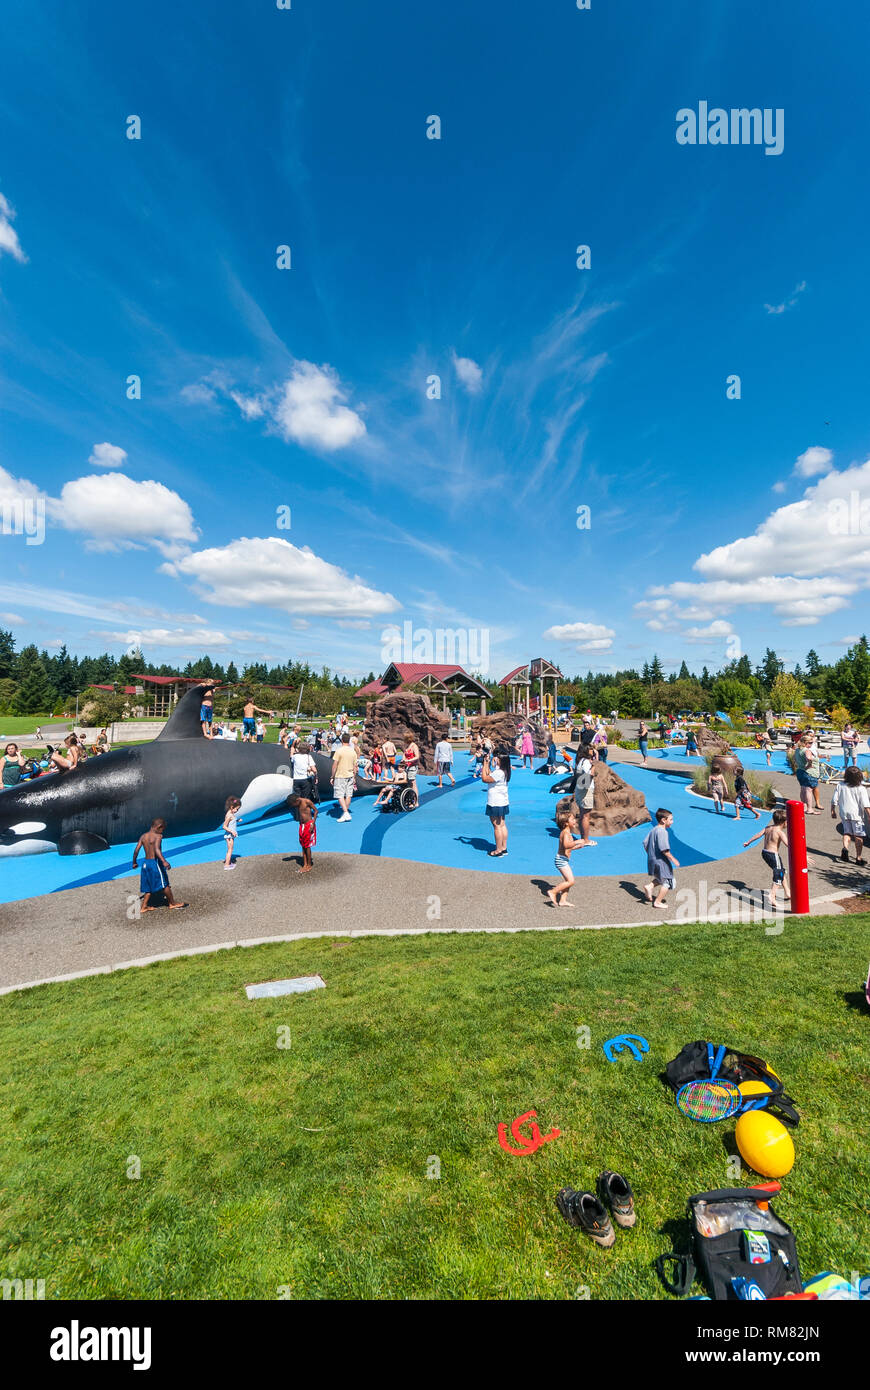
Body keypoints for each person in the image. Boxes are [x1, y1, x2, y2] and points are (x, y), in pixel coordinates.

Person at [133, 818, 185, 910]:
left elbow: (136, 850)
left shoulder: (143, 836)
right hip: (154, 863)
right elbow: (157, 849)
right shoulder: (158, 836)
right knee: (165, 884)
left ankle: (144, 907)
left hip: (145, 863)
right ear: (159, 827)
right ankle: (172, 903)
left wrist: (134, 862)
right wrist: (164, 861)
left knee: (148, 886)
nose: (162, 831)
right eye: (162, 829)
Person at [744, 811, 790, 912]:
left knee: (781, 871)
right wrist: (803, 855)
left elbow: (758, 835)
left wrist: (748, 842)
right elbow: (789, 845)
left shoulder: (768, 828)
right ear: (784, 822)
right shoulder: (780, 832)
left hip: (765, 853)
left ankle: (788, 892)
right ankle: (772, 896)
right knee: (778, 874)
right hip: (773, 855)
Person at [547, 802, 585, 908]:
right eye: (572, 819)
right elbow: (567, 845)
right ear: (566, 823)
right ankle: (553, 892)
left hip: (563, 860)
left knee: (568, 881)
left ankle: (563, 900)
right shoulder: (565, 833)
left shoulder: (567, 832)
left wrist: (579, 846)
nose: (574, 821)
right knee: (570, 881)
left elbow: (569, 848)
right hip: (561, 861)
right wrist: (578, 841)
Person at [831, 765, 870, 864]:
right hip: (857, 816)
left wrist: (833, 810)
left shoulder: (840, 785)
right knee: (858, 836)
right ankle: (858, 858)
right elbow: (866, 805)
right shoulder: (861, 789)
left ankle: (845, 848)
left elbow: (834, 799)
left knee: (847, 833)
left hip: (844, 814)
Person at [642, 808, 680, 909]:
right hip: (661, 861)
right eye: (671, 819)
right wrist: (673, 859)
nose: (673, 821)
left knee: (661, 877)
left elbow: (645, 843)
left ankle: (649, 886)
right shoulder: (663, 832)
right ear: (664, 820)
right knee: (668, 881)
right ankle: (657, 902)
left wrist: (651, 855)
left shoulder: (654, 829)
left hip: (652, 860)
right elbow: (664, 850)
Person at [481, 750, 510, 856]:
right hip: (502, 801)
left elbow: (484, 778)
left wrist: (484, 764)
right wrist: (487, 763)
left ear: (501, 760)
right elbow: (489, 774)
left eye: (497, 757)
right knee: (502, 825)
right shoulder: (504, 771)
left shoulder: (499, 773)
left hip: (495, 802)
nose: (495, 758)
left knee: (496, 826)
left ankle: (498, 850)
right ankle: (503, 847)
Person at [572, 747, 597, 847]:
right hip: (586, 790)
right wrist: (593, 767)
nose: (593, 750)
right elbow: (590, 774)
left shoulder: (581, 760)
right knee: (586, 816)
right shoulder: (586, 762)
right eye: (591, 749)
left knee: (583, 815)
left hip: (580, 788)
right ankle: (586, 840)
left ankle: (583, 837)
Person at [331, 731, 357, 821]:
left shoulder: (339, 750)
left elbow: (335, 765)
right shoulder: (353, 751)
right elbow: (355, 766)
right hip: (350, 775)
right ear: (349, 740)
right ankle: (345, 813)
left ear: (342, 740)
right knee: (348, 794)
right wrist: (355, 777)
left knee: (340, 794)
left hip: (340, 775)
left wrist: (332, 776)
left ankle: (346, 813)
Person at [794, 734, 822, 815]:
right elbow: (809, 758)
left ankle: (804, 807)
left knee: (803, 789)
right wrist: (809, 764)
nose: (811, 744)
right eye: (810, 742)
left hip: (800, 771)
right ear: (805, 742)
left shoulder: (797, 750)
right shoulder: (807, 750)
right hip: (809, 773)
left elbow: (795, 759)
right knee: (808, 790)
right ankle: (810, 809)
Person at [290, 792, 318, 873]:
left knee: (307, 845)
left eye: (294, 804)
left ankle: (309, 865)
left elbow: (316, 811)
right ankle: (305, 864)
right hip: (302, 825)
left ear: (297, 800)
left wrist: (313, 823)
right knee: (303, 844)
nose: (294, 806)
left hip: (309, 825)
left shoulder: (307, 802)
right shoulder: (297, 803)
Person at [222, 796, 241, 869]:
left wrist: (237, 820)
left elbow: (231, 822)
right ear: (232, 807)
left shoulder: (230, 814)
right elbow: (224, 826)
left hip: (230, 835)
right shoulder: (229, 815)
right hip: (229, 835)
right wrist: (232, 831)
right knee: (230, 849)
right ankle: (227, 865)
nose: (237, 810)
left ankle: (228, 862)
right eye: (237, 809)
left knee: (230, 849)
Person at [403, 738, 420, 806]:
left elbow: (417, 756)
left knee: (413, 784)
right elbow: (404, 755)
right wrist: (403, 760)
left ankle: (416, 801)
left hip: (412, 766)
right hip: (407, 767)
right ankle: (410, 800)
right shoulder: (407, 746)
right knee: (408, 784)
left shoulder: (414, 746)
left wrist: (408, 760)